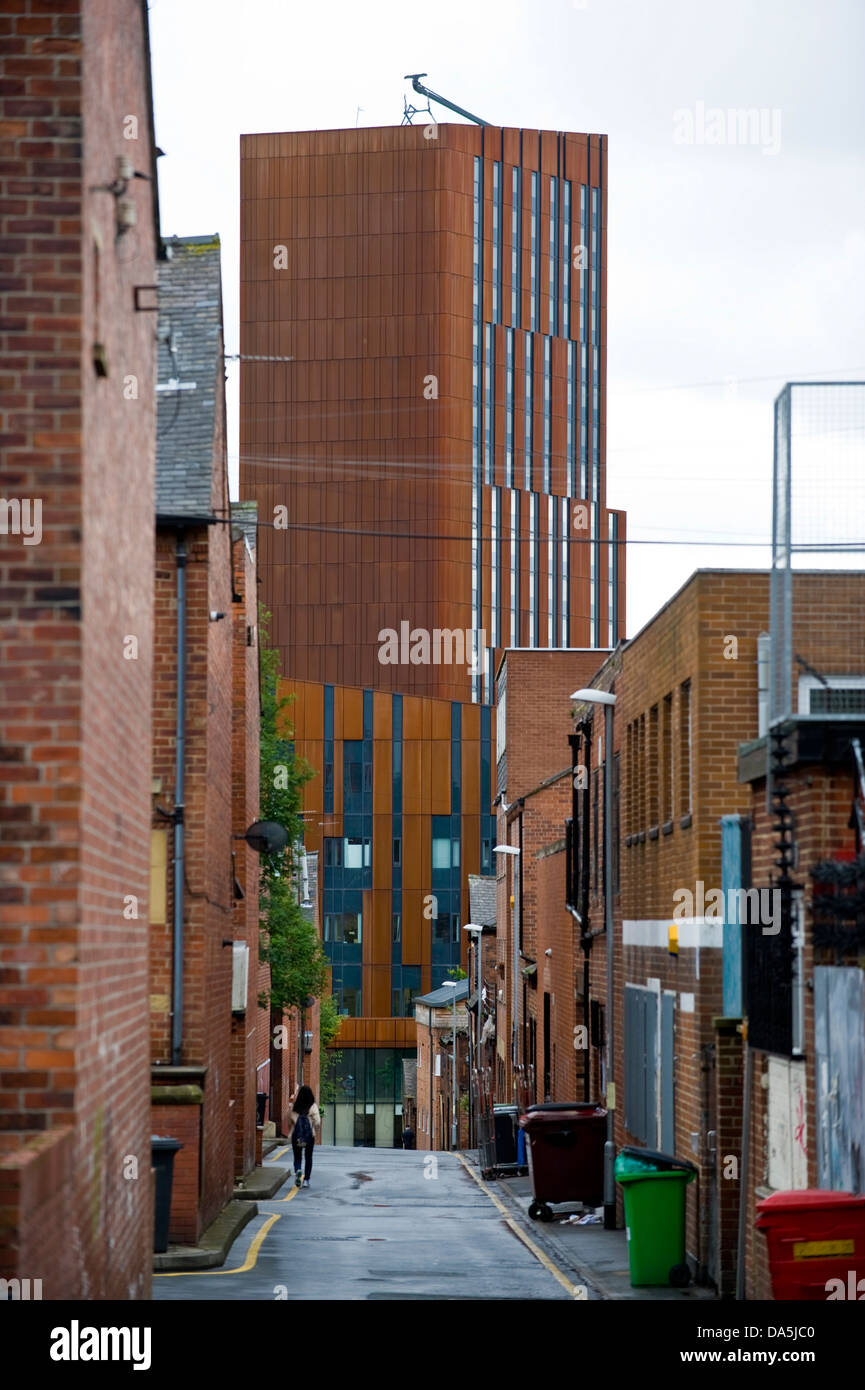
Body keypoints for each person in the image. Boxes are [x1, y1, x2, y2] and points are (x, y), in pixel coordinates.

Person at [287, 1084, 321, 1187]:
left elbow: (289, 1121)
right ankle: (306, 1180)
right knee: (308, 1157)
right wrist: (315, 1130)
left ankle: (298, 1170)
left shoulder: (294, 1106)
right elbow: (317, 1122)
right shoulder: (313, 1106)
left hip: (297, 1136)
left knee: (297, 1157)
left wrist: (292, 1131)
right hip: (309, 1136)